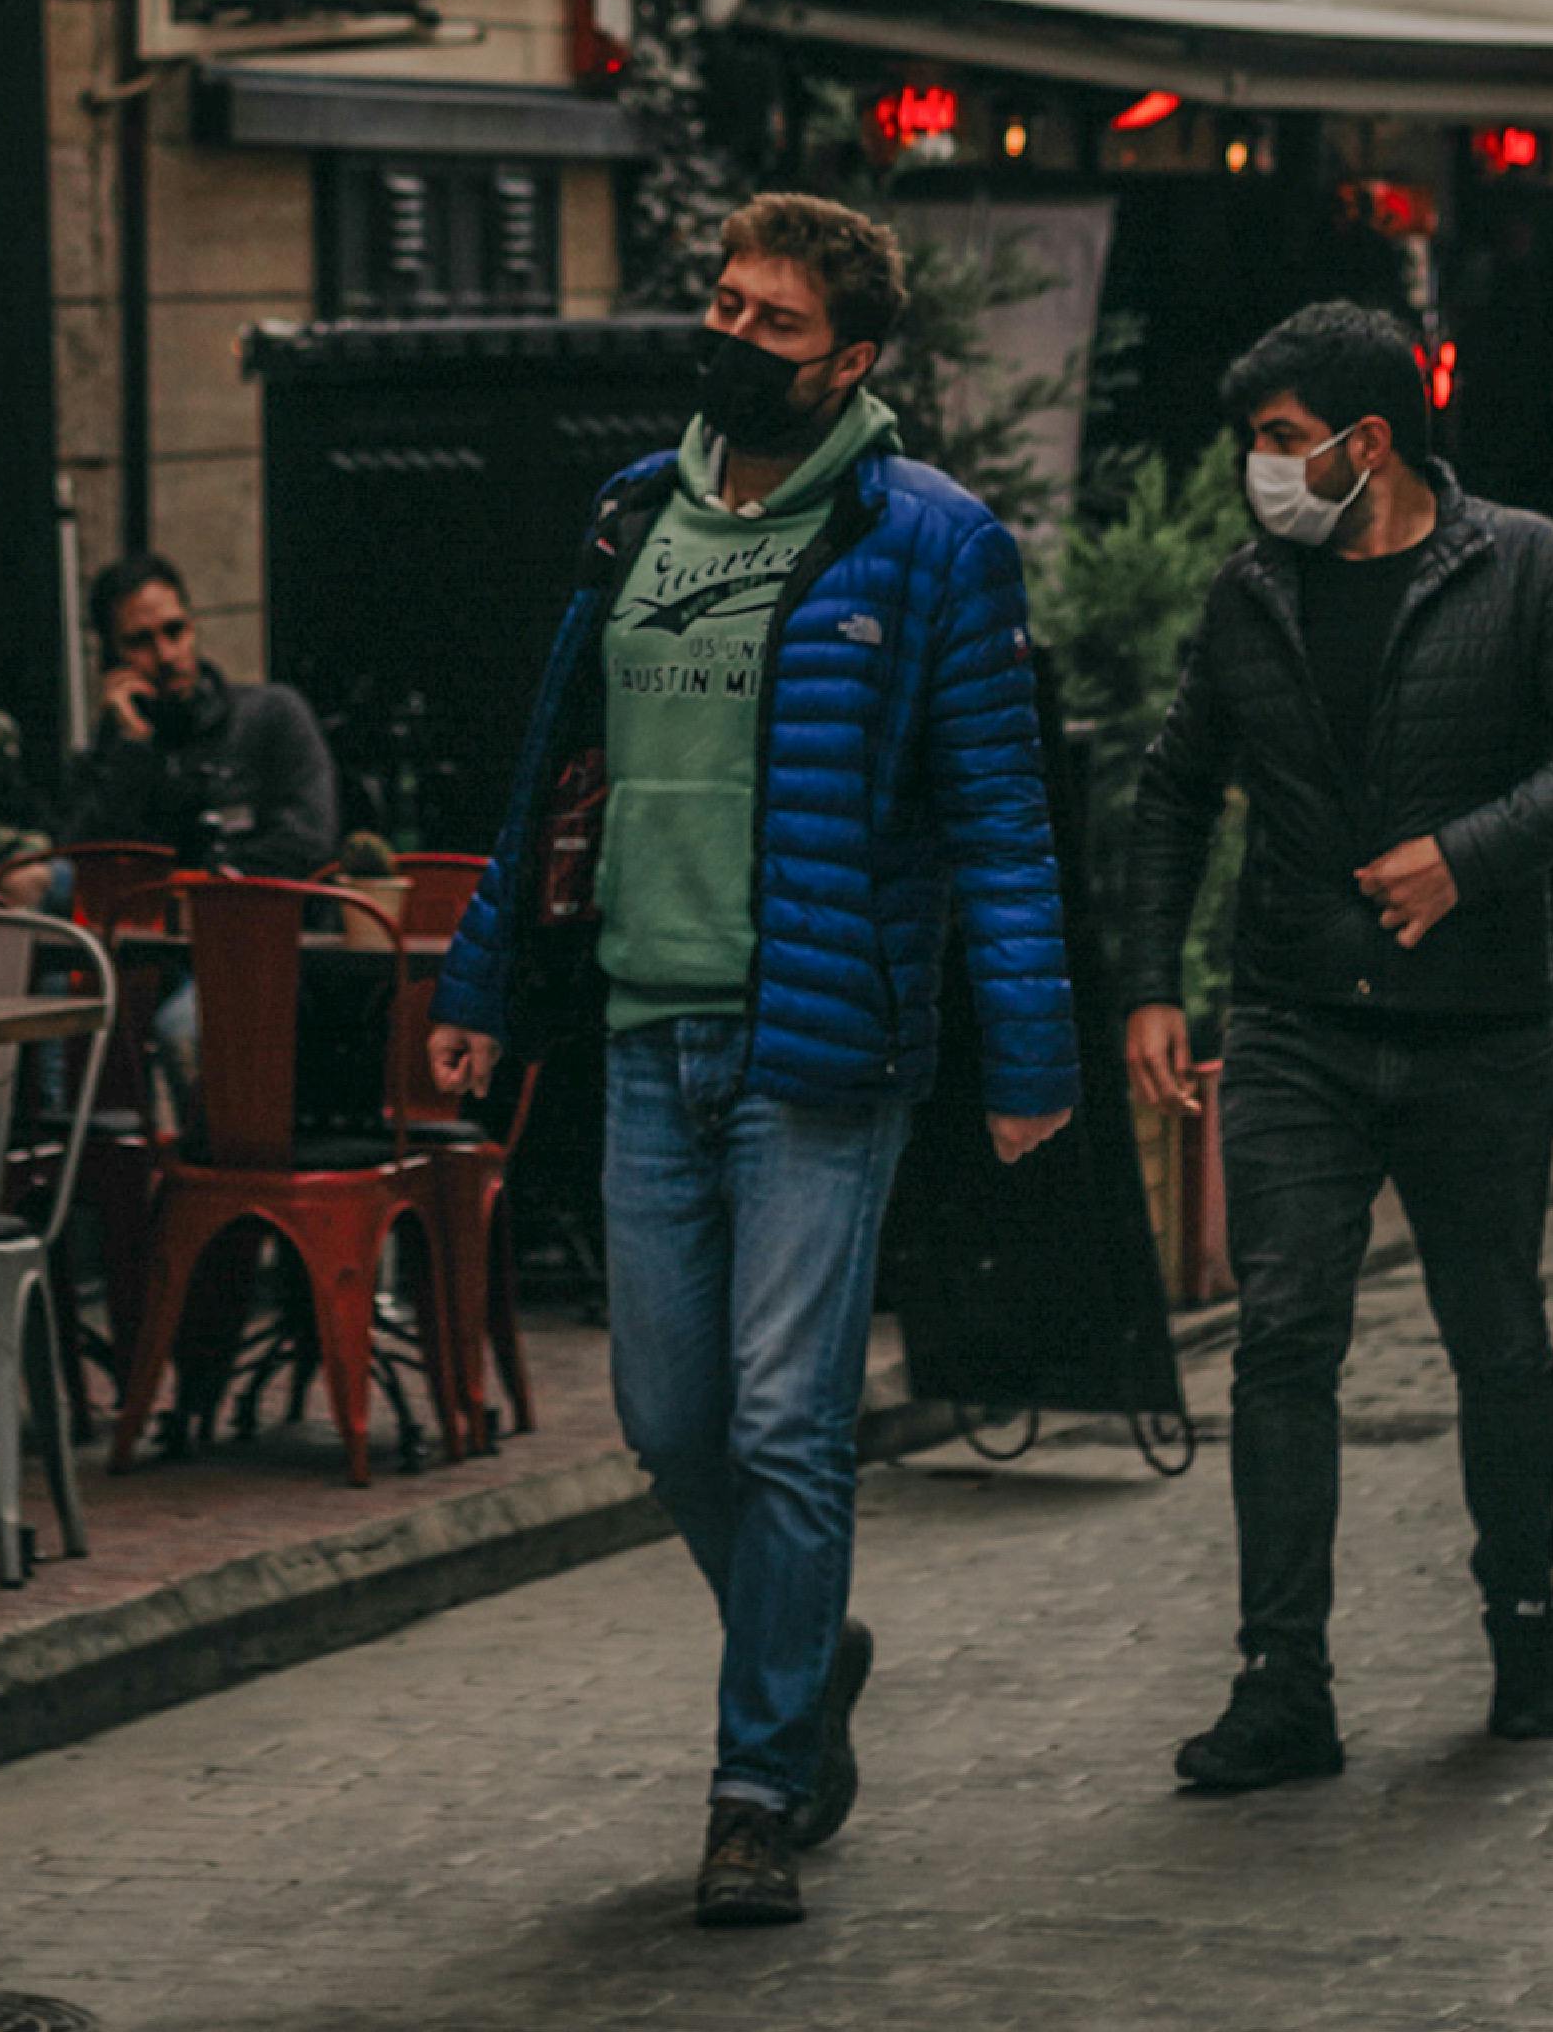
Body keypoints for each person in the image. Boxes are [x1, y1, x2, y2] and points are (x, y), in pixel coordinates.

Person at [428, 193, 1075, 1930]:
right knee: (665, 1418)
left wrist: (1029, 1051)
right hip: (643, 1027)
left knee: (788, 1424)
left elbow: (1000, 820)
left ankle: (754, 1787)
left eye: (769, 322)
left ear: (848, 362)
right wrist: (485, 972)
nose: (728, 336)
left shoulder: (930, 541)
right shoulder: (633, 511)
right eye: (719, 301)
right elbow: (556, 763)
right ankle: (809, 1643)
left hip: (820, 1046)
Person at [1123, 298, 1553, 1793]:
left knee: (1493, 1335)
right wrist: (1149, 985)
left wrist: (1467, 856)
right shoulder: (1254, 592)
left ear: (1368, 443)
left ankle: (1525, 1626)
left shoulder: (1523, 564)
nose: (1262, 470)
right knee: (1283, 1338)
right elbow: (1177, 789)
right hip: (1296, 1021)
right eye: (1253, 445)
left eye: (1283, 442)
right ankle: (1279, 1684)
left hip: (1476, 1026)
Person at [64, 552, 341, 879]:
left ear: (192, 628)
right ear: (112, 656)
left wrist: (210, 881)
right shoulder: (111, 753)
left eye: (174, 630)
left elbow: (309, 837)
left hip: (265, 914)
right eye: (140, 641)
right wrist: (132, 748)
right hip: (150, 923)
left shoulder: (271, 715)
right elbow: (84, 862)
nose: (166, 655)